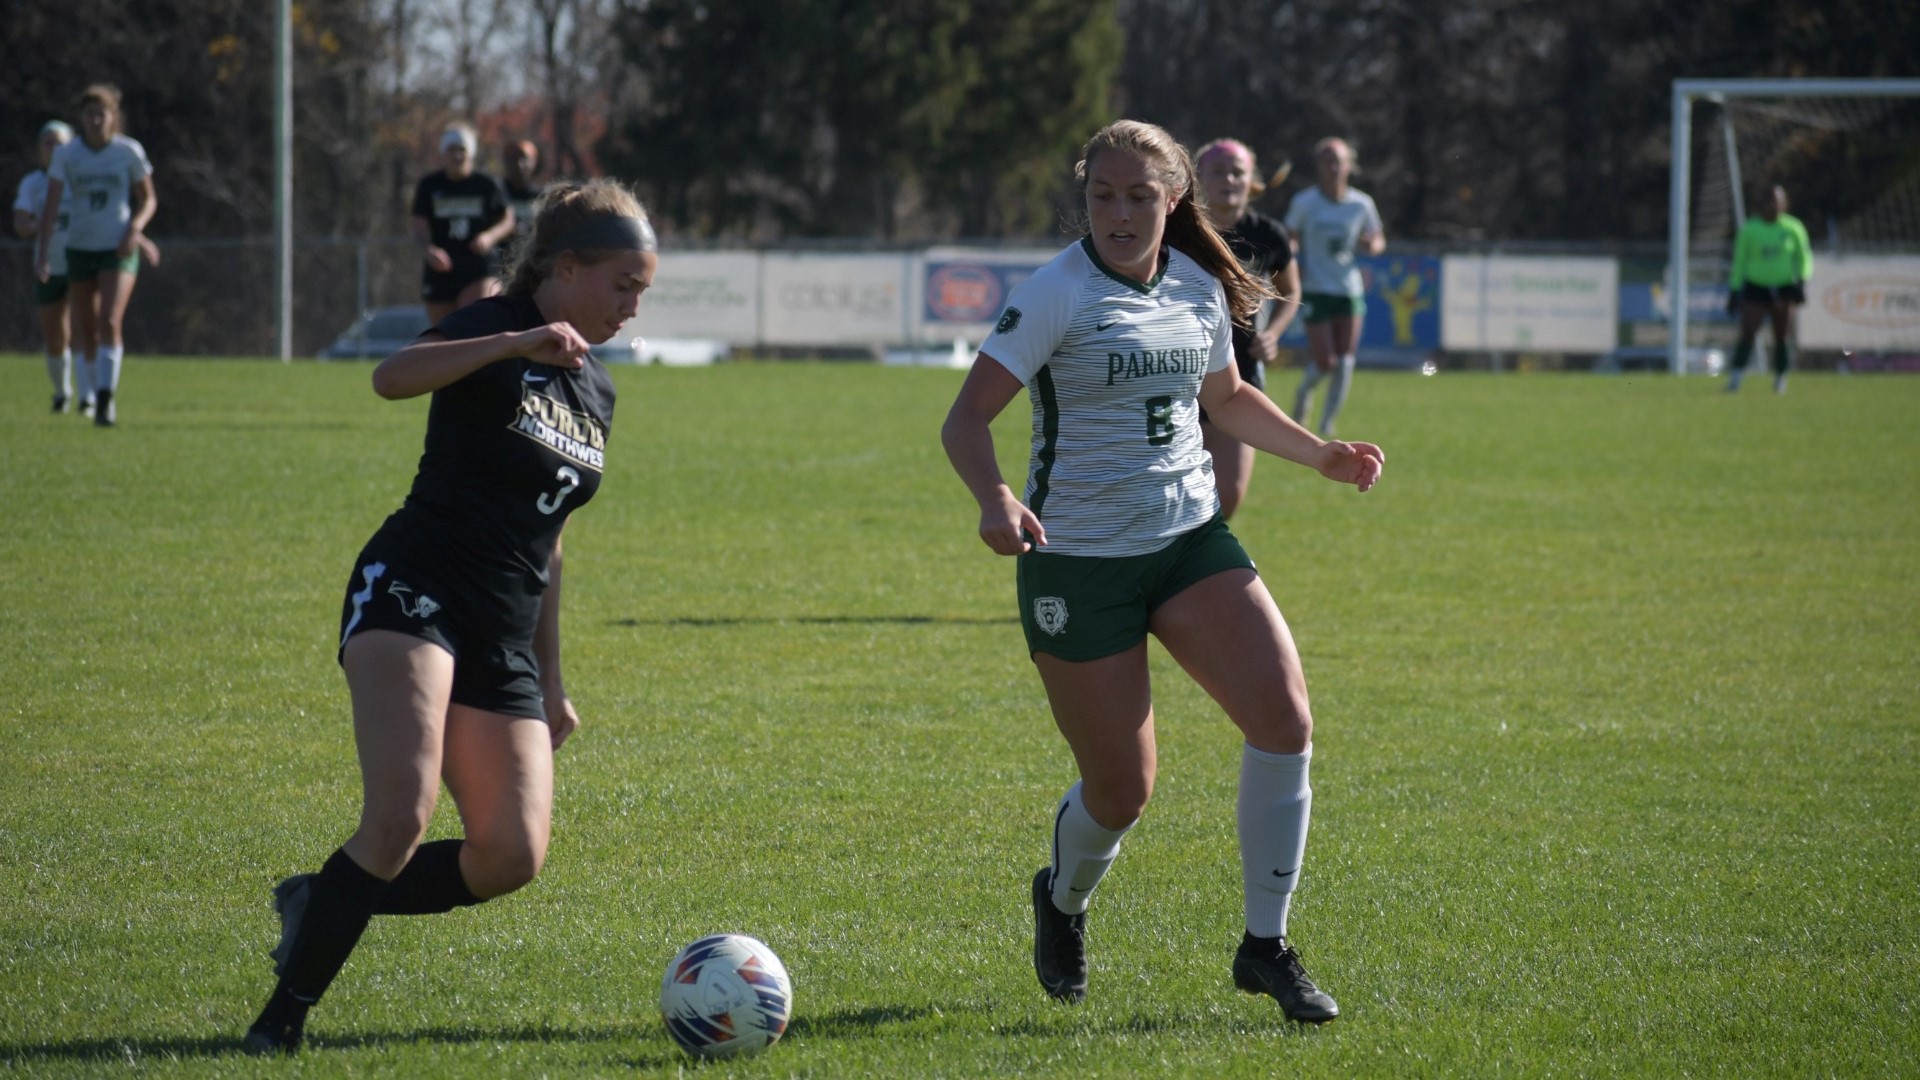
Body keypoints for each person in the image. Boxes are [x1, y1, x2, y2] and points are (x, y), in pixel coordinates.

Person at [940, 120, 1383, 1024]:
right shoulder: (1057, 291)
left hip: (1187, 540)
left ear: (1173, 201)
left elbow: (1224, 397)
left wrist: (1319, 454)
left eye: (1140, 196)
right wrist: (994, 500)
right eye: (1102, 194)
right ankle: (1061, 900)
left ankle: (1267, 947)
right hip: (1079, 565)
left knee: (1286, 718)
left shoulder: (1196, 284)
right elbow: (966, 419)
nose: (1118, 212)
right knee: (1121, 791)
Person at [243, 179, 659, 1056]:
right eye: (622, 283)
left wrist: (551, 679)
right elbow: (390, 378)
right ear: (567, 265)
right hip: (415, 589)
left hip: (504, 631)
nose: (633, 305)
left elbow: (551, 541)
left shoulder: (600, 390)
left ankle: (324, 896)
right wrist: (515, 340)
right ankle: (281, 1023)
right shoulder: (489, 321)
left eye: (643, 290)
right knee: (401, 813)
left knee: (511, 855)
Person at [34, 84, 159, 428]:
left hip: (117, 245)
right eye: (89, 114)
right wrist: (43, 252)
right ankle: (88, 395)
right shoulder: (68, 154)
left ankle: (105, 398)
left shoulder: (128, 152)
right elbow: (52, 205)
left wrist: (135, 228)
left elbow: (148, 199)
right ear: (82, 118)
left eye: (101, 114)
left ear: (113, 118)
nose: (94, 121)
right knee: (85, 328)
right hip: (79, 245)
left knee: (109, 321)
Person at [1195, 138, 1302, 519]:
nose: (1228, 179)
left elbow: (1290, 292)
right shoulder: (1179, 230)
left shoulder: (1269, 235)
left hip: (1240, 375)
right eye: (1218, 171)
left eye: (1237, 171)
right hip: (1181, 371)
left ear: (1251, 180)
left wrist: (1274, 333)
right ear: (1198, 178)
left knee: (1228, 497)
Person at [1284, 137, 1384, 437]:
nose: (1333, 167)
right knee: (1325, 360)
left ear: (1349, 166)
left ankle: (1328, 423)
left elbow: (1377, 238)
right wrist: (1291, 258)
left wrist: (1372, 245)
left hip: (1349, 288)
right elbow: (1289, 235)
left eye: (1338, 160)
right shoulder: (1305, 203)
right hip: (1316, 287)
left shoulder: (1361, 204)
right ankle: (1303, 397)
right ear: (1318, 166)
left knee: (1345, 361)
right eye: (1327, 160)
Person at [412, 123, 515, 325]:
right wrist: (429, 250)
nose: (457, 155)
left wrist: (489, 237)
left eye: (462, 150)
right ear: (443, 152)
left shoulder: (487, 184)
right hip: (442, 267)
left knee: (471, 325)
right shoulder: (430, 185)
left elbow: (507, 219)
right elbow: (419, 225)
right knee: (443, 333)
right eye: (452, 149)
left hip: (477, 265)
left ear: (471, 153)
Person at [1725, 184, 1812, 395]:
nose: (1773, 206)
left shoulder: (1793, 228)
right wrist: (1735, 290)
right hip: (1756, 287)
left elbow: (1804, 257)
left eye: (1777, 201)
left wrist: (1801, 281)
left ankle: (1780, 378)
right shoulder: (1750, 229)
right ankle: (1735, 378)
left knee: (1782, 335)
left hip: (1783, 287)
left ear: (1784, 204)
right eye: (1769, 201)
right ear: (1761, 205)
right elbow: (1739, 262)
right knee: (1748, 331)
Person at [15, 120, 76, 413]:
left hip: (83, 262)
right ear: (39, 149)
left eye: (60, 143)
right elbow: (21, 223)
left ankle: (91, 398)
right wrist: (37, 225)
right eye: (48, 143)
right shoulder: (33, 183)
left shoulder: (81, 179)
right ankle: (62, 392)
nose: (54, 149)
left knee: (91, 330)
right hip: (48, 266)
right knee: (56, 336)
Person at [499, 139, 544, 266]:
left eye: (524, 159)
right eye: (513, 159)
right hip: (500, 259)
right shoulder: (496, 193)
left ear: (534, 162)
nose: (519, 164)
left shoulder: (540, 196)